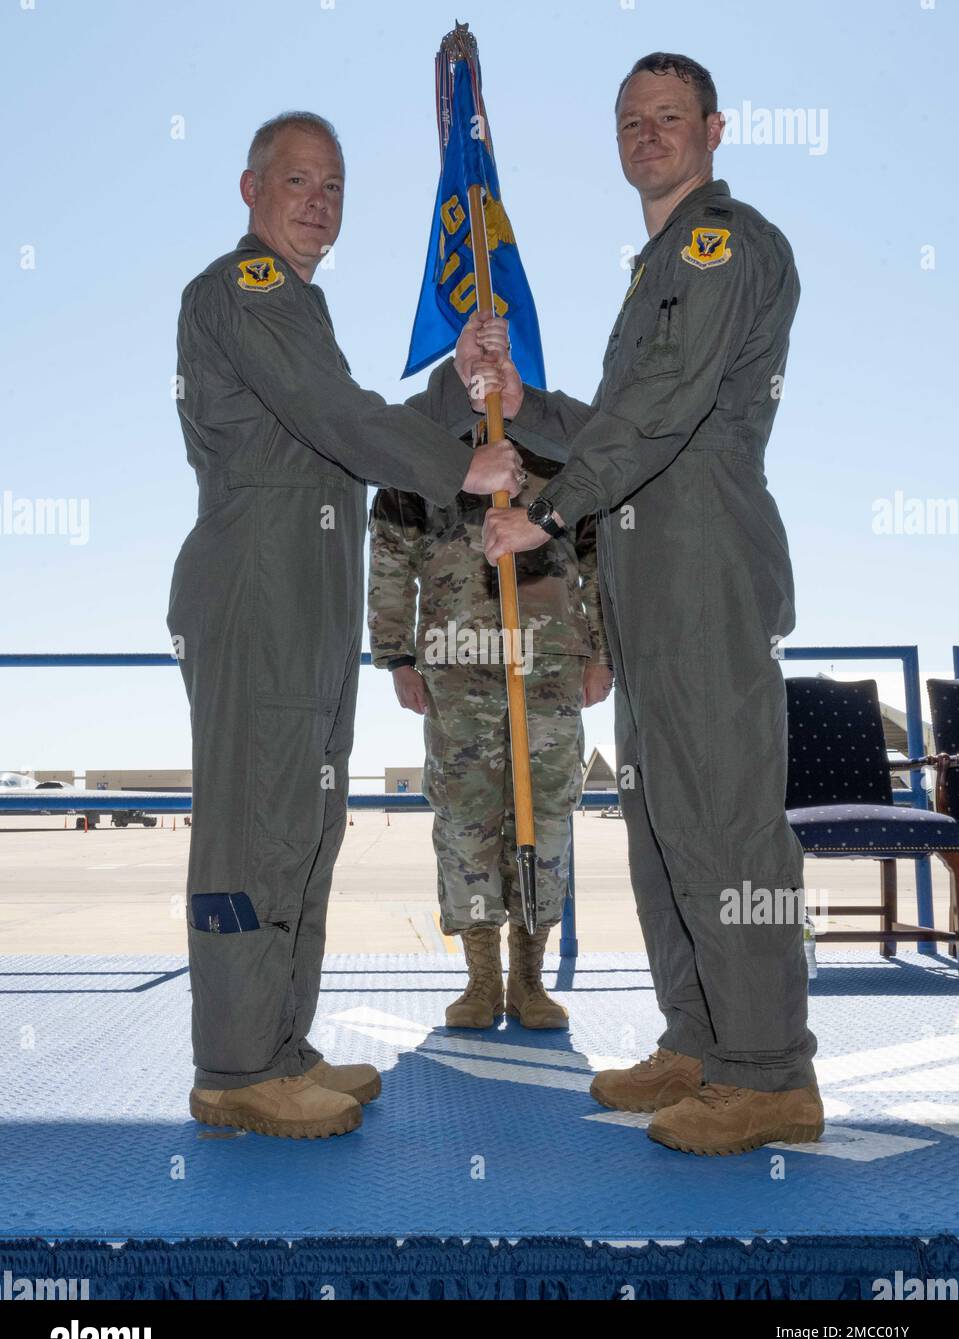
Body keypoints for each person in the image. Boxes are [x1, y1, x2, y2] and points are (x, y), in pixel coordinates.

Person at [444, 53, 822, 1156]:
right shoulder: (652, 263)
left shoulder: (720, 242)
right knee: (661, 826)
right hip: (649, 581)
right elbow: (619, 417)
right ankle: (699, 1042)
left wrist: (547, 514)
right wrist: (524, 404)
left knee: (724, 821)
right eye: (629, 121)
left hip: (703, 570)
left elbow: (661, 407)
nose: (646, 135)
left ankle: (768, 1073)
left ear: (712, 129)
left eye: (667, 118)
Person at [167, 111, 523, 1140]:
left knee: (302, 828)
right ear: (250, 190)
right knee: (252, 828)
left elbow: (343, 421)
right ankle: (235, 1066)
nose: (317, 200)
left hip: (308, 595)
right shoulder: (247, 289)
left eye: (333, 186)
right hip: (257, 592)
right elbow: (339, 422)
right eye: (297, 180)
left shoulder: (298, 311)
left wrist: (452, 392)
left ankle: (278, 1043)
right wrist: (462, 465)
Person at [368, 427, 613, 1030]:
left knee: (547, 816)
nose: (489, 363)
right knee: (464, 817)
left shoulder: (561, 460)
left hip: (551, 663)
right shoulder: (421, 461)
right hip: (457, 665)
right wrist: (397, 657)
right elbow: (391, 559)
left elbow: (598, 562)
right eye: (476, 343)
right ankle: (481, 980)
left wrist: (605, 653)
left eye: (501, 347)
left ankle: (530, 980)